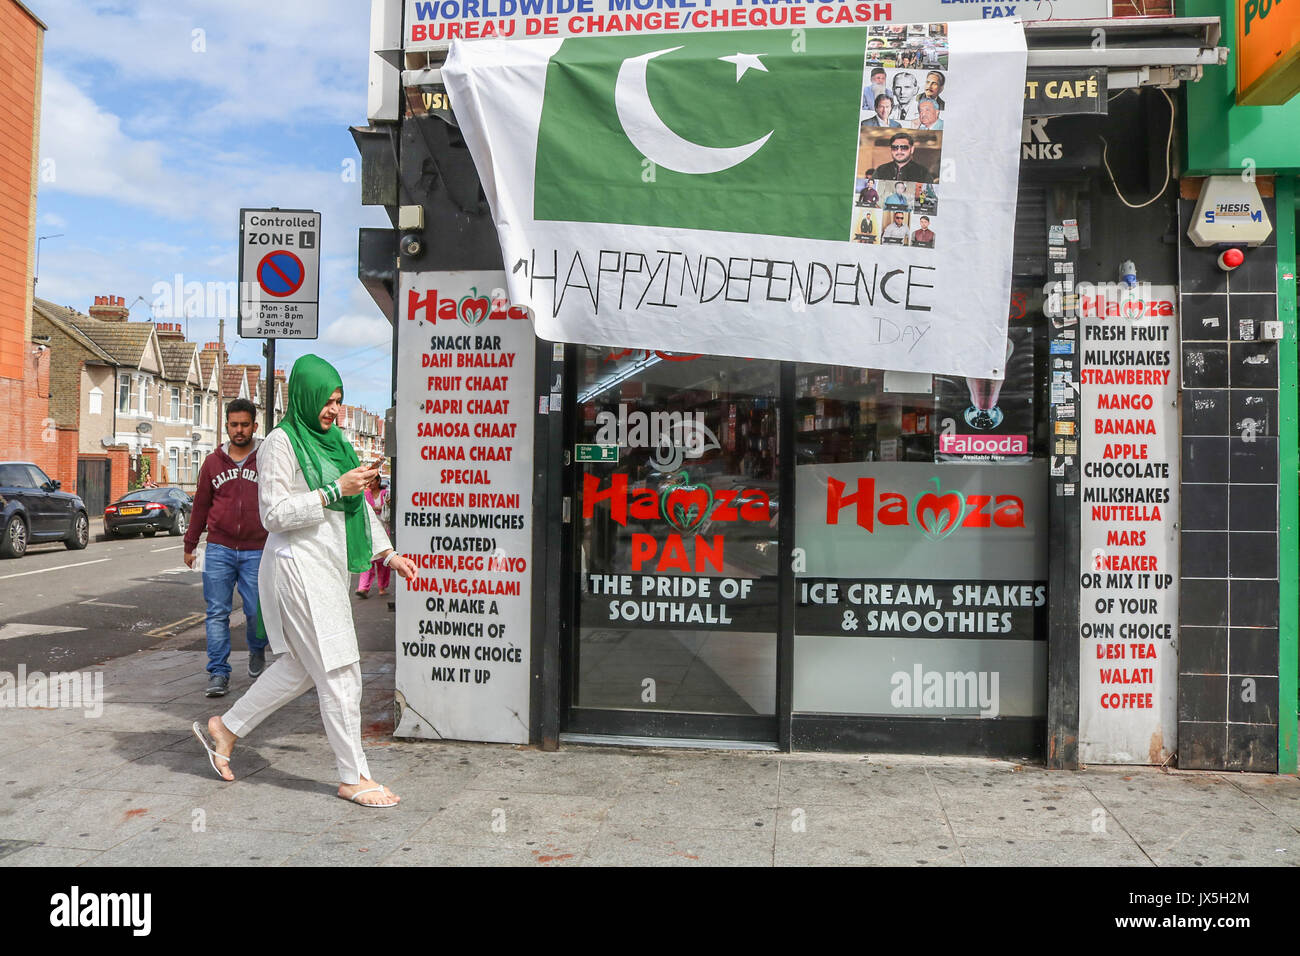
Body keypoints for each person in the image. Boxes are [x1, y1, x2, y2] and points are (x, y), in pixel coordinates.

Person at [193, 355, 417, 808]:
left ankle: (226, 728)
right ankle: (353, 777)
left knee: (299, 667)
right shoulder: (280, 442)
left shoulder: (335, 442)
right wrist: (335, 490)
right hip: (297, 565)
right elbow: (273, 513)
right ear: (306, 395)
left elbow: (358, 507)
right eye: (327, 400)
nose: (333, 410)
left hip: (327, 566)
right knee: (340, 672)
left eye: (339, 400)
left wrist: (387, 553)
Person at [185, 398, 269, 698]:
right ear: (227, 426)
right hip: (218, 548)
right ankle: (218, 673)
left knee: (257, 611)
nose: (239, 430)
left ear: (254, 427)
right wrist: (190, 544)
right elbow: (200, 506)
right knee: (216, 613)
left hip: (257, 549)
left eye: (245, 424)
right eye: (234, 424)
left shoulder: (267, 459)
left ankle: (257, 649)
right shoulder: (211, 463)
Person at [355, 471, 391, 598]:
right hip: (368, 530)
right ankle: (363, 588)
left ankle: (382, 586)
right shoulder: (365, 495)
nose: (369, 484)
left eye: (372, 481)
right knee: (368, 559)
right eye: (368, 481)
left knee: (383, 560)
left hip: (384, 529)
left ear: (378, 481)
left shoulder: (385, 494)